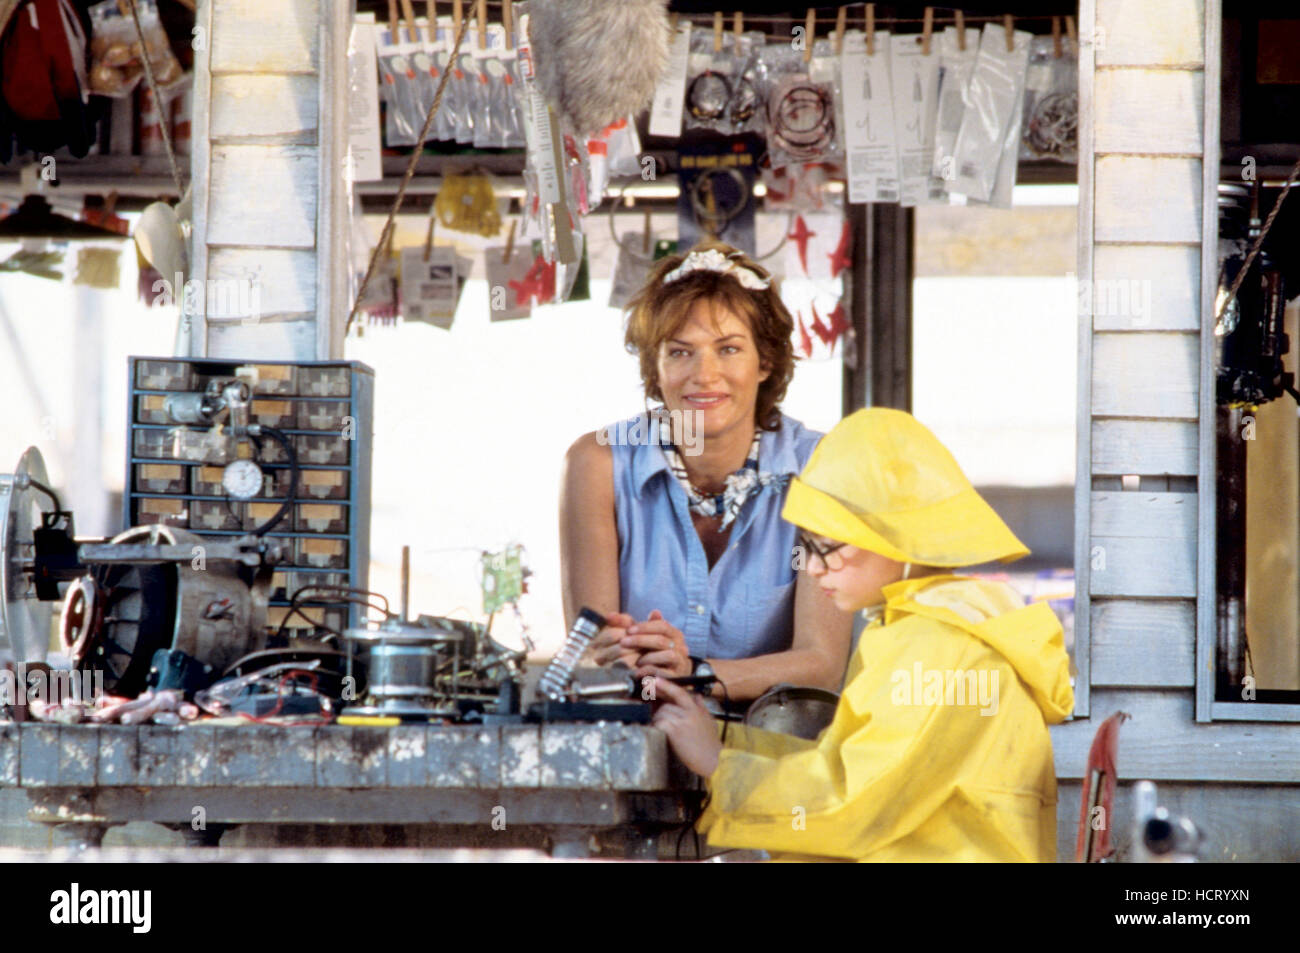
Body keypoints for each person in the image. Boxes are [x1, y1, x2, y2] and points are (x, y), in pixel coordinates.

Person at [651, 407, 1075, 861]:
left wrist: (718, 764)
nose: (811, 569)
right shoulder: (929, 623)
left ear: (895, 535)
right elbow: (844, 763)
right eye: (806, 546)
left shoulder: (936, 643)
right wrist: (722, 739)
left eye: (828, 547)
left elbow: (851, 804)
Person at [559, 240, 855, 703]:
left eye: (729, 349)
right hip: (639, 738)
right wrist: (620, 650)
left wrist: (696, 672)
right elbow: (590, 652)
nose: (705, 374)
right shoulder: (596, 464)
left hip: (776, 754)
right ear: (654, 369)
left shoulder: (826, 468)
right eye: (680, 352)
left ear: (766, 362)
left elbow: (820, 663)